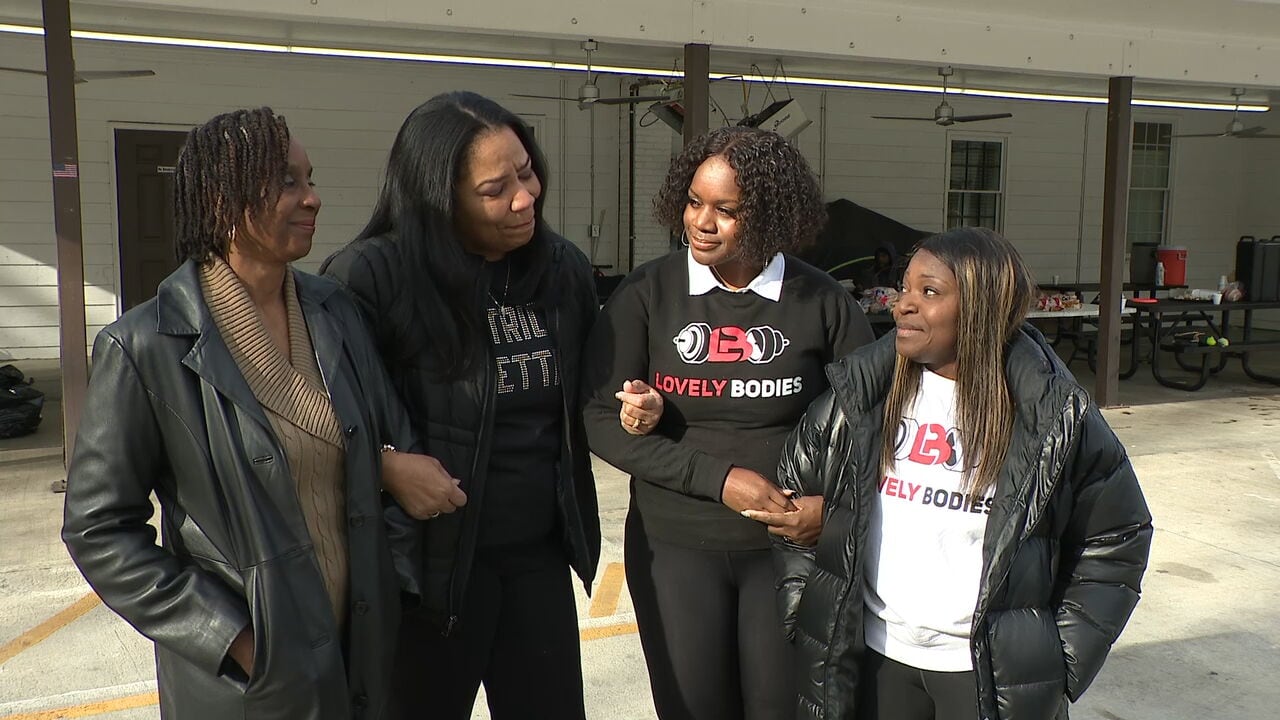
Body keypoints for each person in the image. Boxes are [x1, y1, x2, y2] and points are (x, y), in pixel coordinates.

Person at [61, 107, 461, 719]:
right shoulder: (144, 346)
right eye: (288, 183)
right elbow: (99, 528)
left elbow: (389, 438)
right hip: (247, 687)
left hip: (360, 661)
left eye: (311, 178)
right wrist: (236, 642)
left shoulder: (336, 312)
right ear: (222, 201)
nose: (314, 198)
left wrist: (391, 588)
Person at [321, 91, 638, 719]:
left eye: (526, 172)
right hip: (423, 576)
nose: (525, 197)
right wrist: (385, 465)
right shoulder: (371, 279)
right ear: (438, 197)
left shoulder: (562, 269)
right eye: (496, 189)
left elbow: (587, 396)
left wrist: (638, 402)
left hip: (538, 559)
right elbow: (317, 419)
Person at [769, 227, 1153, 720]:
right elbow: (790, 497)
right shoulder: (861, 395)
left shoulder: (1051, 413)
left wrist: (1060, 658)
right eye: (904, 288)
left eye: (928, 292)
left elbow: (1118, 534)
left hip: (981, 673)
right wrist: (807, 612)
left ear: (981, 308)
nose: (902, 304)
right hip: (876, 657)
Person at [583, 126, 875, 720]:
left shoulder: (820, 301)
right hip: (675, 549)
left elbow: (874, 426)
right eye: (694, 202)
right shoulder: (646, 293)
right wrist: (717, 476)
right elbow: (596, 418)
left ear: (770, 215)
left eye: (726, 210)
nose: (701, 223)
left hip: (787, 553)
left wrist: (834, 510)